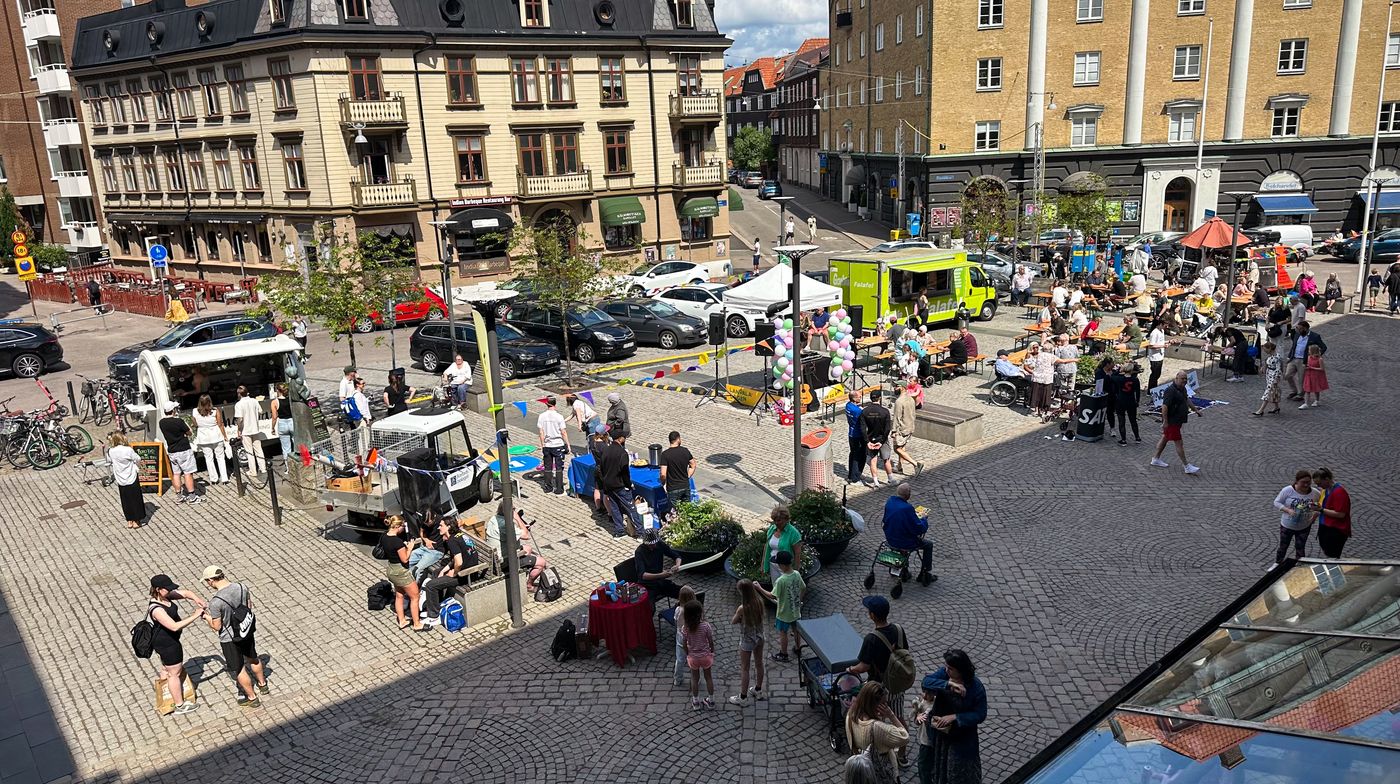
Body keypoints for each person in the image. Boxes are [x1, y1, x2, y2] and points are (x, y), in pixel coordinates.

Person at [846, 597, 913, 755]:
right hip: (897, 683)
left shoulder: (871, 638)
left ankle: (875, 746)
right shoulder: (898, 629)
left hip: (878, 686)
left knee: (872, 715)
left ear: (872, 615)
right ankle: (902, 754)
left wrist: (851, 669)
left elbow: (864, 666)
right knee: (898, 716)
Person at [202, 565, 269, 707]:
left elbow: (217, 626)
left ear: (211, 580)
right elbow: (249, 605)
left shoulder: (215, 602)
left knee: (239, 668)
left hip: (229, 639)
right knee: (253, 658)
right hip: (245, 630)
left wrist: (206, 617)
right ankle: (263, 684)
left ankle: (251, 697)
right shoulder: (241, 586)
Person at [917, 650, 988, 784]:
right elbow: (926, 682)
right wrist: (948, 684)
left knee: (958, 772)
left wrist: (956, 717)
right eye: (947, 667)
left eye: (951, 668)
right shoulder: (944, 674)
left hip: (962, 739)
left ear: (960, 670)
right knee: (939, 770)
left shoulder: (976, 687)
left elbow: (980, 714)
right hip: (941, 737)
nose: (946, 670)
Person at [147, 575, 207, 716]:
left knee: (166, 669)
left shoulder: (165, 597)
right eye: (167, 589)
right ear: (158, 589)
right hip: (167, 644)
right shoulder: (156, 609)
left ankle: (165, 695)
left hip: (166, 641)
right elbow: (173, 626)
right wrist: (195, 615)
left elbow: (186, 593)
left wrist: (197, 599)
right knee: (174, 673)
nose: (170, 591)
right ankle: (179, 705)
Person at [845, 681, 910, 784]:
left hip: (862, 770)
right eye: (883, 703)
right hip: (881, 772)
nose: (886, 706)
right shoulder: (878, 727)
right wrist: (891, 715)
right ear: (873, 705)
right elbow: (905, 736)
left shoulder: (850, 715)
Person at [378, 516, 427, 632]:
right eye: (403, 526)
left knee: (399, 595)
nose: (403, 529)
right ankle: (417, 623)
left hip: (391, 569)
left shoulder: (384, 536)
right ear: (397, 526)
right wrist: (409, 548)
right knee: (415, 597)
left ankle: (402, 621)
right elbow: (405, 559)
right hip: (401, 572)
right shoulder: (397, 542)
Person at [421, 519, 475, 624]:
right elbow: (455, 558)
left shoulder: (452, 541)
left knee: (431, 585)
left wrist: (453, 573)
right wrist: (445, 570)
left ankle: (434, 616)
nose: (438, 527)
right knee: (437, 572)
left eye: (441, 525)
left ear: (448, 527)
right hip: (467, 569)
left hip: (466, 574)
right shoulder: (458, 535)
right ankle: (437, 604)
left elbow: (458, 563)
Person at [883, 483, 935, 585]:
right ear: (908, 495)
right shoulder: (907, 508)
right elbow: (919, 528)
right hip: (904, 542)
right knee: (928, 545)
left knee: (902, 537)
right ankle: (925, 573)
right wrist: (924, 519)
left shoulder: (890, 502)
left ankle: (903, 569)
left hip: (890, 537)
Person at [1151, 371, 1202, 474]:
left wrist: (1195, 410)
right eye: (1182, 378)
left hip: (1176, 420)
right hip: (1171, 421)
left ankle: (1155, 459)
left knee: (1165, 438)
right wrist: (1165, 421)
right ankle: (1186, 466)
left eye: (1185, 379)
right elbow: (1164, 407)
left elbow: (1186, 399)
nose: (1184, 381)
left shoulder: (1182, 388)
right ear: (1176, 378)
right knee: (1179, 443)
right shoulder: (1170, 391)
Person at [728, 579, 768, 706]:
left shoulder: (742, 608)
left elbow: (733, 621)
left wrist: (740, 618)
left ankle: (743, 697)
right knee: (759, 663)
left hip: (747, 640)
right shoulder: (759, 602)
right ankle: (758, 689)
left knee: (745, 668)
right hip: (760, 637)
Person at [596, 431, 643, 537]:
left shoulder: (606, 450)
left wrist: (605, 482)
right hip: (620, 485)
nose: (625, 439)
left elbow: (601, 469)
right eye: (624, 437)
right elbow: (625, 472)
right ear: (620, 439)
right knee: (630, 508)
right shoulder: (622, 453)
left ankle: (619, 531)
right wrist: (628, 485)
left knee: (615, 507)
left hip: (608, 484)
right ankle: (640, 532)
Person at [761, 549, 805, 662]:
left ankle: (784, 654)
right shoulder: (796, 574)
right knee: (796, 630)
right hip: (796, 610)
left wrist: (759, 588)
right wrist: (799, 601)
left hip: (783, 613)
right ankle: (798, 648)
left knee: (783, 632)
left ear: (782, 565)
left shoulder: (781, 580)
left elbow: (772, 595)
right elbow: (803, 587)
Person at [1272, 470, 1319, 567]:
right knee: (1283, 546)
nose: (1306, 485)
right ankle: (1277, 564)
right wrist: (1287, 510)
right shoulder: (1288, 490)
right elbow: (1277, 502)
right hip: (1287, 525)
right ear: (1297, 481)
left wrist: (1315, 515)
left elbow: (1321, 506)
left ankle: (1300, 566)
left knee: (1300, 547)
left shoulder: (1315, 493)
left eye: (1308, 482)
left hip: (1304, 526)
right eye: (1303, 482)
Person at [158, 401, 199, 503]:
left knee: (176, 473)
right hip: (183, 449)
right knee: (187, 473)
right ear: (173, 410)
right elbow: (189, 432)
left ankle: (179, 495)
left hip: (172, 451)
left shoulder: (161, 422)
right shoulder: (179, 421)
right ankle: (192, 496)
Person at [679, 600, 716, 710]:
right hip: (705, 656)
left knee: (694, 679)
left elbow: (684, 644)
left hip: (693, 657)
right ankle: (711, 700)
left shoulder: (685, 629)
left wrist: (688, 653)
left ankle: (695, 701)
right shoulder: (706, 626)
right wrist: (712, 651)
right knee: (708, 677)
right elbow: (710, 641)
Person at [1312, 467, 1352, 558]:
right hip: (1326, 527)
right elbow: (1324, 505)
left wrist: (1321, 510)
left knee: (1332, 556)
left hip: (1335, 530)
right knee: (1328, 553)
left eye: (1319, 483)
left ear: (1327, 479)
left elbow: (1341, 514)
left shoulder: (1339, 492)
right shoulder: (1325, 490)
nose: (1318, 486)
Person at [108, 433, 145, 529]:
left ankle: (129, 520)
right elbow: (138, 458)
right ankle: (137, 520)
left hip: (120, 477)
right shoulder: (127, 450)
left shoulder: (111, 451)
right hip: (131, 476)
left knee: (125, 500)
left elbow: (110, 460)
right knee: (135, 498)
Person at [634, 528, 684, 599]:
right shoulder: (639, 552)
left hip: (660, 581)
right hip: (647, 584)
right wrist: (661, 575)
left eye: (655, 543)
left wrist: (677, 565)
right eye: (650, 545)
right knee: (649, 604)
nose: (653, 546)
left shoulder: (660, 544)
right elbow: (643, 575)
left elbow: (676, 556)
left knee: (682, 592)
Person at [761, 504, 804, 586]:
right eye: (775, 520)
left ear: (786, 520)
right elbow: (767, 547)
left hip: (786, 567)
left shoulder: (793, 533)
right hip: (773, 564)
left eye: (779, 520)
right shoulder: (772, 529)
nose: (776, 523)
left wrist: (796, 572)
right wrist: (763, 564)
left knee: (787, 589)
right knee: (776, 587)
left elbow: (797, 554)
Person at [192, 394, 230, 486]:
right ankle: (224, 478)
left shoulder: (194, 411)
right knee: (220, 458)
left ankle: (214, 479)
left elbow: (195, 424)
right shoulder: (215, 411)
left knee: (209, 459)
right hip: (216, 435)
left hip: (204, 437)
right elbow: (220, 424)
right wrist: (225, 436)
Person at [1284, 321, 1326, 401]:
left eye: (1299, 329)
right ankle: (1294, 391)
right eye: (1297, 328)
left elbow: (1323, 347)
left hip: (1304, 360)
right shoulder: (1297, 334)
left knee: (1301, 378)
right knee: (1287, 375)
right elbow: (1294, 346)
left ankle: (1300, 395)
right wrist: (1289, 356)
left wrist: (1315, 356)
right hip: (1294, 358)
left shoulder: (1315, 336)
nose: (1298, 330)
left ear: (1305, 329)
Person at [860, 389, 894, 487]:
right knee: (886, 459)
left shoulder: (865, 411)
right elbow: (887, 429)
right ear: (880, 398)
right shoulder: (885, 411)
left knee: (873, 460)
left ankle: (875, 482)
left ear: (871, 398)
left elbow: (863, 429)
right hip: (882, 439)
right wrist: (882, 441)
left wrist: (867, 441)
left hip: (871, 438)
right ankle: (890, 479)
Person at [537, 396, 568, 495]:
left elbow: (541, 432)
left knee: (547, 467)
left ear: (546, 404)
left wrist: (543, 445)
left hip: (547, 444)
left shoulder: (542, 416)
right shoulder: (559, 416)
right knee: (559, 468)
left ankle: (548, 487)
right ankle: (559, 489)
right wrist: (567, 444)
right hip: (558, 444)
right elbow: (563, 432)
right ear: (555, 404)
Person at [233, 385, 265, 477]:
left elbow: (240, 419)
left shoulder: (238, 404)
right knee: (259, 449)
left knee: (249, 452)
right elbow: (261, 411)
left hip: (246, 430)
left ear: (239, 394)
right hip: (255, 428)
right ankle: (263, 468)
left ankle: (253, 471)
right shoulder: (254, 401)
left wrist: (239, 430)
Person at [658, 430, 695, 509]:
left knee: (674, 512)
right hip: (685, 486)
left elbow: (663, 474)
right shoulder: (685, 451)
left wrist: (663, 483)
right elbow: (693, 465)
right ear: (678, 439)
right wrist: (687, 476)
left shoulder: (665, 454)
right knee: (687, 510)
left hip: (672, 488)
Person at [890, 385, 922, 476]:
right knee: (902, 446)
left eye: (896, 386)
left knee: (897, 449)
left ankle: (916, 464)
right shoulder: (911, 398)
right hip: (910, 427)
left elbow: (897, 417)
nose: (894, 388)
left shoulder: (899, 401)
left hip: (902, 429)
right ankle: (899, 467)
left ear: (902, 388)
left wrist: (893, 431)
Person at [1108, 362, 1142, 446]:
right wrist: (1137, 401)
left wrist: (1118, 370)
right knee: (1133, 420)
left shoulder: (1119, 379)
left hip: (1120, 401)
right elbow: (1138, 392)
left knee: (1121, 421)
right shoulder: (1135, 379)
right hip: (1131, 401)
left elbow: (1112, 377)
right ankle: (1137, 437)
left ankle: (1123, 440)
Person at [671, 585, 698, 686]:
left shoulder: (678, 609)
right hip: (692, 637)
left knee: (680, 659)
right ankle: (695, 678)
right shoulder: (694, 610)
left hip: (680, 637)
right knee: (694, 658)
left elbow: (675, 621)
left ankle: (678, 679)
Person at [1024, 343, 1055, 419]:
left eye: (1037, 347)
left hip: (1041, 375)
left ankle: (1041, 408)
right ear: (1031, 348)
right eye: (1034, 348)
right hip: (1032, 374)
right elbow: (1025, 366)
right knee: (1037, 391)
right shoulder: (1029, 355)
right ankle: (1036, 408)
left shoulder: (1041, 355)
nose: (1036, 349)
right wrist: (1033, 372)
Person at [1253, 342, 1283, 417]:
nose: (1264, 351)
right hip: (1269, 375)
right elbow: (1267, 364)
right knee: (1273, 392)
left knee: (1268, 391)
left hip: (1274, 376)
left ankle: (1261, 410)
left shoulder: (1277, 357)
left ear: (1269, 348)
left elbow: (1278, 369)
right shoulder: (1270, 357)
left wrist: (1276, 379)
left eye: (1265, 349)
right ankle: (1276, 407)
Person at [1050, 334, 1078, 407]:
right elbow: (1077, 356)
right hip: (1072, 368)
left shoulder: (1058, 349)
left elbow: (1056, 359)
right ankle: (1069, 401)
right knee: (1071, 385)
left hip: (1062, 369)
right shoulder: (1074, 347)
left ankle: (1064, 402)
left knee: (1063, 386)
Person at [845, 390, 866, 484]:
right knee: (859, 456)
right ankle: (855, 477)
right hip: (858, 435)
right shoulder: (857, 411)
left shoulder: (848, 406)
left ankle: (851, 474)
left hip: (851, 434)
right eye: (859, 397)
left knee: (853, 454)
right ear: (854, 398)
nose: (860, 398)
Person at [271, 384, 294, 464]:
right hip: (292, 421)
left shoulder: (274, 402)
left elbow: (274, 417)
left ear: (277, 390)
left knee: (286, 448)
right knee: (297, 444)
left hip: (282, 423)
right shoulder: (290, 400)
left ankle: (289, 467)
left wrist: (272, 428)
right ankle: (303, 463)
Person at [1300, 343, 1328, 409]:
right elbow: (1308, 365)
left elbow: (1322, 369)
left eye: (1309, 350)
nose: (1308, 351)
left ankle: (1317, 400)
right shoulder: (1309, 357)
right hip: (1309, 375)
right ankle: (1306, 403)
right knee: (1307, 389)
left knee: (1316, 389)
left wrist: (1312, 368)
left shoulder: (1320, 359)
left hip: (1315, 376)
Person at [1145, 320, 1168, 390]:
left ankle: (1155, 388)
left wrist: (1169, 341)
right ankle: (1150, 390)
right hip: (1154, 357)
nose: (1166, 327)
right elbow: (1151, 346)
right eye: (1165, 325)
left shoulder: (1162, 331)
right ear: (1161, 324)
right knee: (1154, 374)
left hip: (1160, 356)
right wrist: (1163, 346)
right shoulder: (1154, 333)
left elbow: (1160, 342)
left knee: (1158, 374)